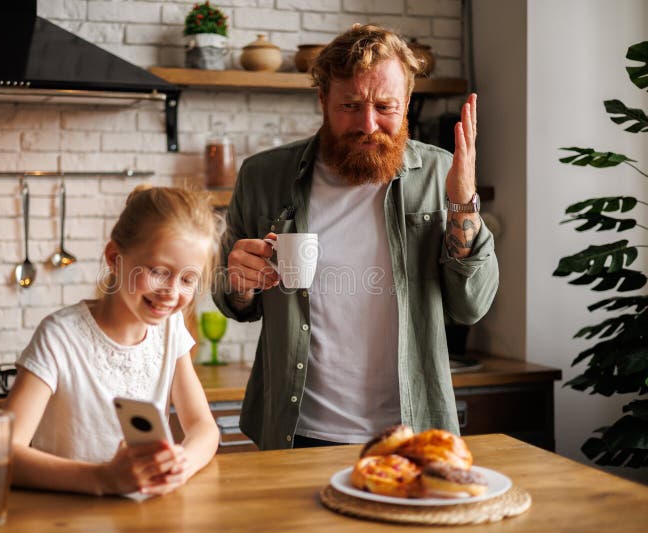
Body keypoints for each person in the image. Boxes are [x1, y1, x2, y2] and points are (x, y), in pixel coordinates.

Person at [212, 24, 499, 450]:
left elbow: (471, 306)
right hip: (295, 431)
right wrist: (239, 282)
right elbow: (234, 302)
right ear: (322, 101)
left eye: (385, 106)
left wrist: (462, 205)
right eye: (350, 105)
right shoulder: (263, 176)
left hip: (412, 431)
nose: (368, 124)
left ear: (407, 104)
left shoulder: (442, 174)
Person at [5, 185, 221, 496]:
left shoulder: (170, 329)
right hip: (63, 512)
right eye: (159, 272)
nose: (172, 293)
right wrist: (105, 478)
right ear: (114, 258)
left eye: (187, 279)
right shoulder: (59, 337)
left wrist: (181, 466)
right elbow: (4, 454)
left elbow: (204, 427)